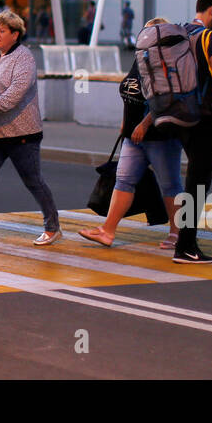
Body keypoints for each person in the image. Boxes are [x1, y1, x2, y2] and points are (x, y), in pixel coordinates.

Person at [79, 17, 183, 249]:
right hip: (133, 137)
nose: (143, 38)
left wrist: (144, 124)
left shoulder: (165, 62)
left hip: (159, 136)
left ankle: (178, 234)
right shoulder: (141, 58)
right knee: (124, 180)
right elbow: (131, 94)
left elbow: (164, 99)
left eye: (150, 34)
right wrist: (126, 123)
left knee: (170, 184)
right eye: (143, 33)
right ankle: (107, 231)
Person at [0, 10, 62, 248]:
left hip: (22, 134)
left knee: (33, 181)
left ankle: (53, 227)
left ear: (15, 34)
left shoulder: (24, 57)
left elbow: (17, 90)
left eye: (2, 31)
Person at [174, 0, 212, 264]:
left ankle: (182, 239)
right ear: (211, 10)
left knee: (191, 180)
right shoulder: (210, 37)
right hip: (203, 117)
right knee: (198, 183)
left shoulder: (182, 32)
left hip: (178, 114)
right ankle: (186, 246)